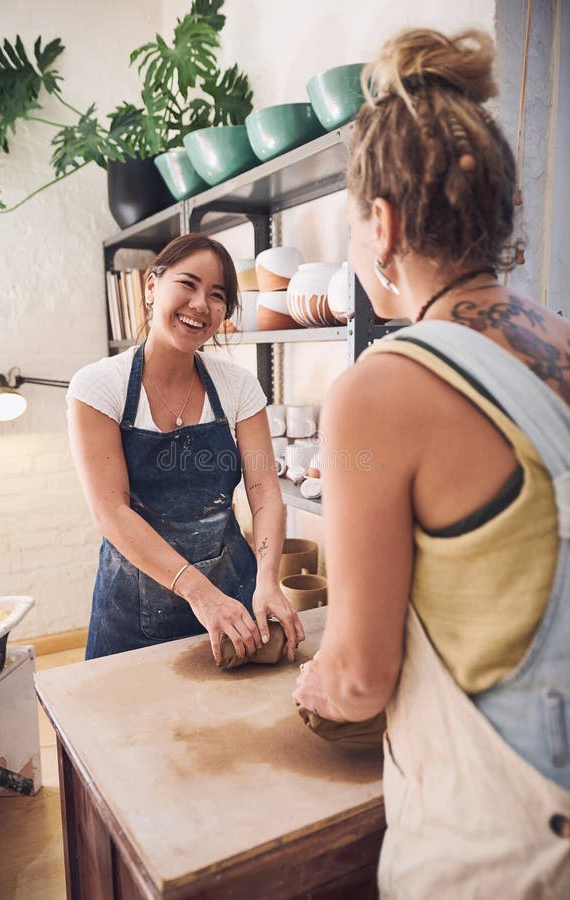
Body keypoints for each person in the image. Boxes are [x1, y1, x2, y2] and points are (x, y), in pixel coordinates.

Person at [293, 27, 570, 897]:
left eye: (349, 223)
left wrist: (315, 683)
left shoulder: (380, 388)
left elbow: (361, 676)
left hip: (498, 848)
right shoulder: (562, 342)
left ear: (384, 224)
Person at [68, 233, 304, 662]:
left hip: (236, 597)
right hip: (133, 609)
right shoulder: (99, 386)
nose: (201, 304)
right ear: (152, 286)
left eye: (217, 295)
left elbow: (265, 492)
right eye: (188, 284)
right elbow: (111, 512)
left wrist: (268, 580)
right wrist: (200, 594)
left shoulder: (238, 386)